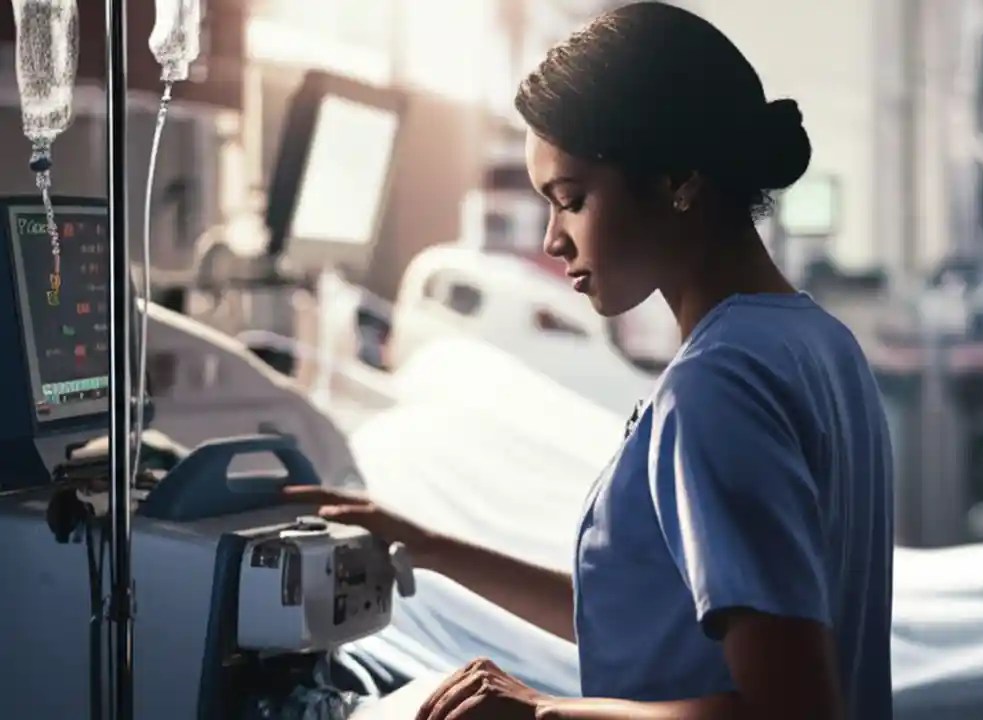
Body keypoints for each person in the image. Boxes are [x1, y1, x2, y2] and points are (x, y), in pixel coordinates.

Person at [286, 3, 894, 718]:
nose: (553, 239)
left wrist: (545, 713)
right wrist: (426, 546)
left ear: (679, 179)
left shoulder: (716, 387)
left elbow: (792, 712)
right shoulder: (818, 345)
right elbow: (645, 614)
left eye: (571, 200)